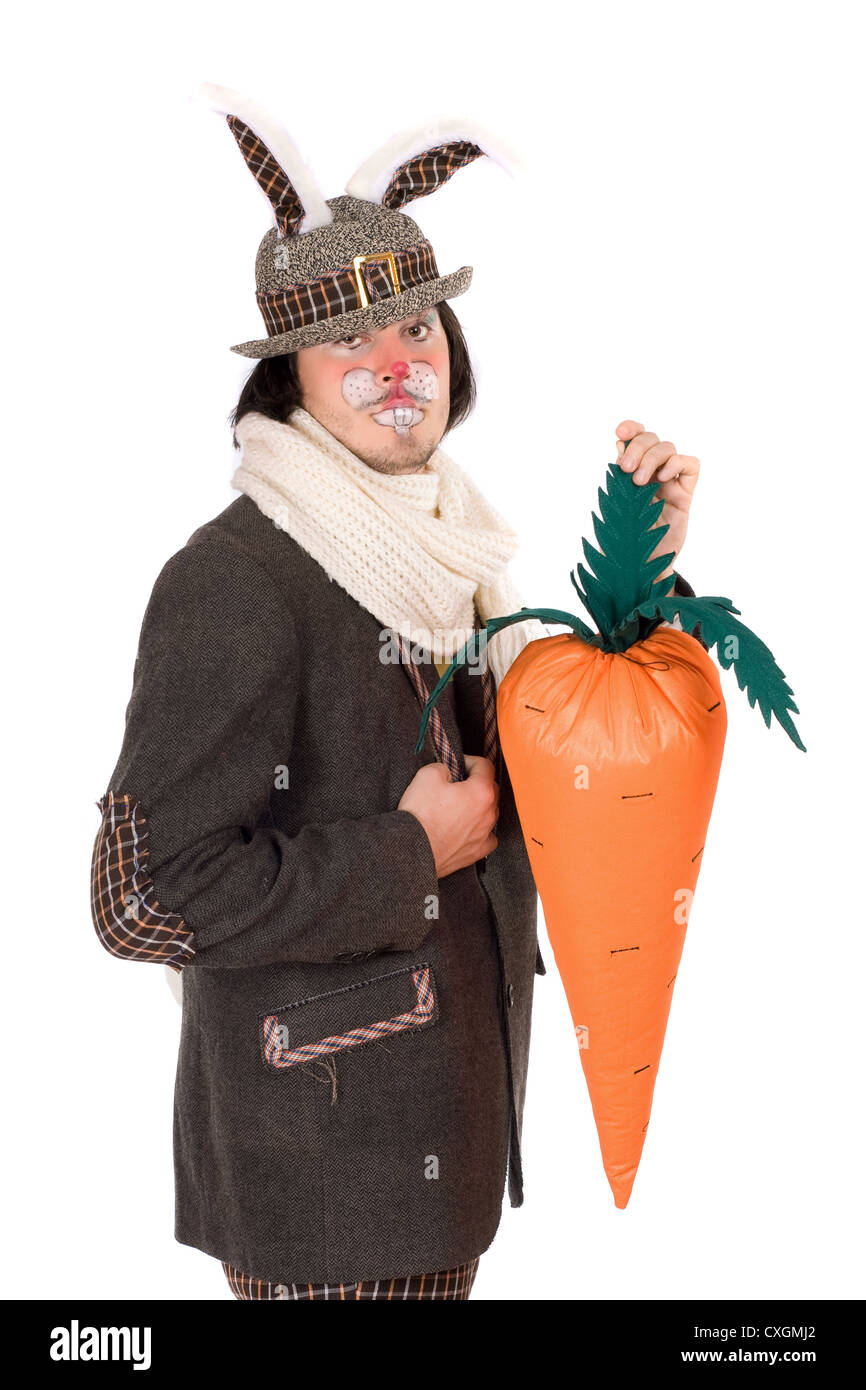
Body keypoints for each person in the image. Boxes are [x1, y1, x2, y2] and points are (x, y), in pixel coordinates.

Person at [90, 86, 699, 1300]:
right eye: (349, 342)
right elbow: (139, 899)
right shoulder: (235, 578)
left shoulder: (448, 547)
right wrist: (405, 851)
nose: (393, 365)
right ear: (289, 381)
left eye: (416, 330)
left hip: (441, 1145)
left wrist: (646, 573)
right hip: (322, 1182)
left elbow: (554, 762)